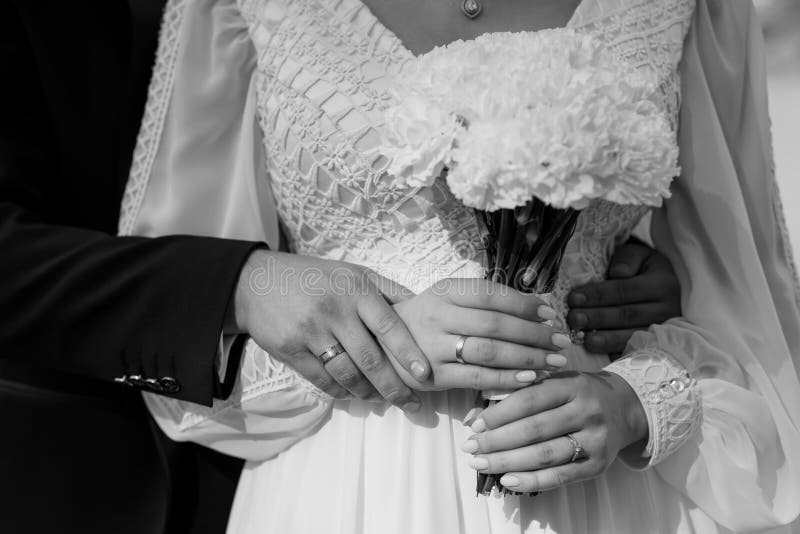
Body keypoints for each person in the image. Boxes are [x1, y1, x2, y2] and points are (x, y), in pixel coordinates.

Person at [0, 1, 679, 532]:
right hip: (309, 477)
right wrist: (244, 284)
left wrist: (640, 356)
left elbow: (743, 289)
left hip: (603, 475)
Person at [133, 0, 800, 532]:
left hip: (609, 488)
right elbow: (173, 310)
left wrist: (637, 402)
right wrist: (371, 345)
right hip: (347, 490)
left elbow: (750, 309)